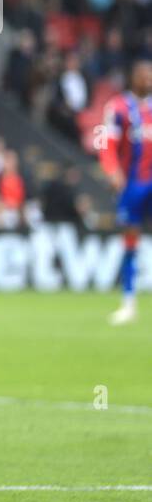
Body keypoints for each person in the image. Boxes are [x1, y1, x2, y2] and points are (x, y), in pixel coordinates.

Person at [100, 58, 152, 325]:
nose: (149, 79)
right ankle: (129, 303)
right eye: (144, 75)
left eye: (151, 75)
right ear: (134, 77)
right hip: (132, 185)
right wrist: (111, 170)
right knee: (130, 240)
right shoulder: (118, 107)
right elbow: (106, 143)